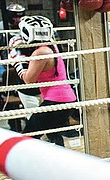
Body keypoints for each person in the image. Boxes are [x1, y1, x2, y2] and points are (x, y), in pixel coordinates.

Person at [10, 15, 79, 146]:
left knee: (29, 136)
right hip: (65, 99)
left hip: (56, 101)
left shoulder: (40, 53)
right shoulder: (51, 46)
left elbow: (28, 80)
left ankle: (37, 164)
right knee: (53, 133)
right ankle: (59, 162)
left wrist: (16, 60)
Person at [0, 3, 42, 128]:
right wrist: (0, 67)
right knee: (9, 94)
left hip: (28, 64)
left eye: (20, 16)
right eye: (14, 17)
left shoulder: (27, 27)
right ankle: (13, 123)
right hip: (9, 66)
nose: (17, 19)